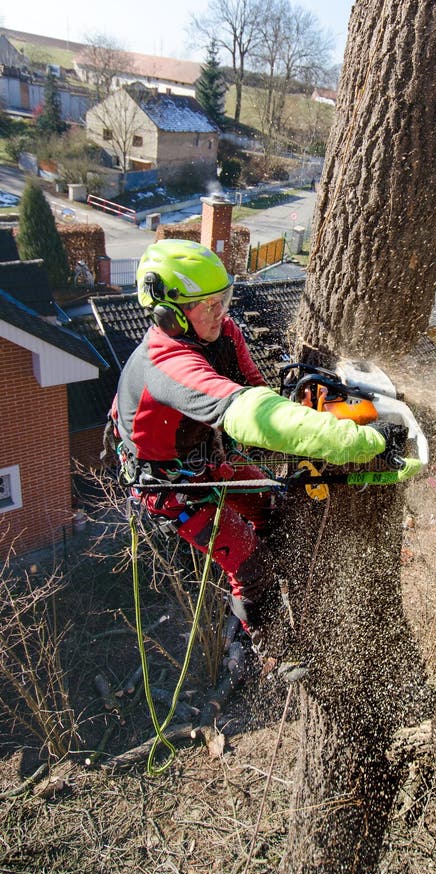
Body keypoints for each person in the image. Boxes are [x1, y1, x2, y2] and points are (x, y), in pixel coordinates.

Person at [109, 239, 403, 679]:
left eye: (222, 300)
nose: (219, 313)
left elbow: (257, 391)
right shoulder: (166, 361)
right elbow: (250, 414)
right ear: (168, 316)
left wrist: (306, 420)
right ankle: (273, 650)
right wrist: (352, 441)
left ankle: (293, 596)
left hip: (210, 459)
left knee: (277, 513)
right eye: (204, 305)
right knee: (249, 561)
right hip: (171, 487)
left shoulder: (223, 332)